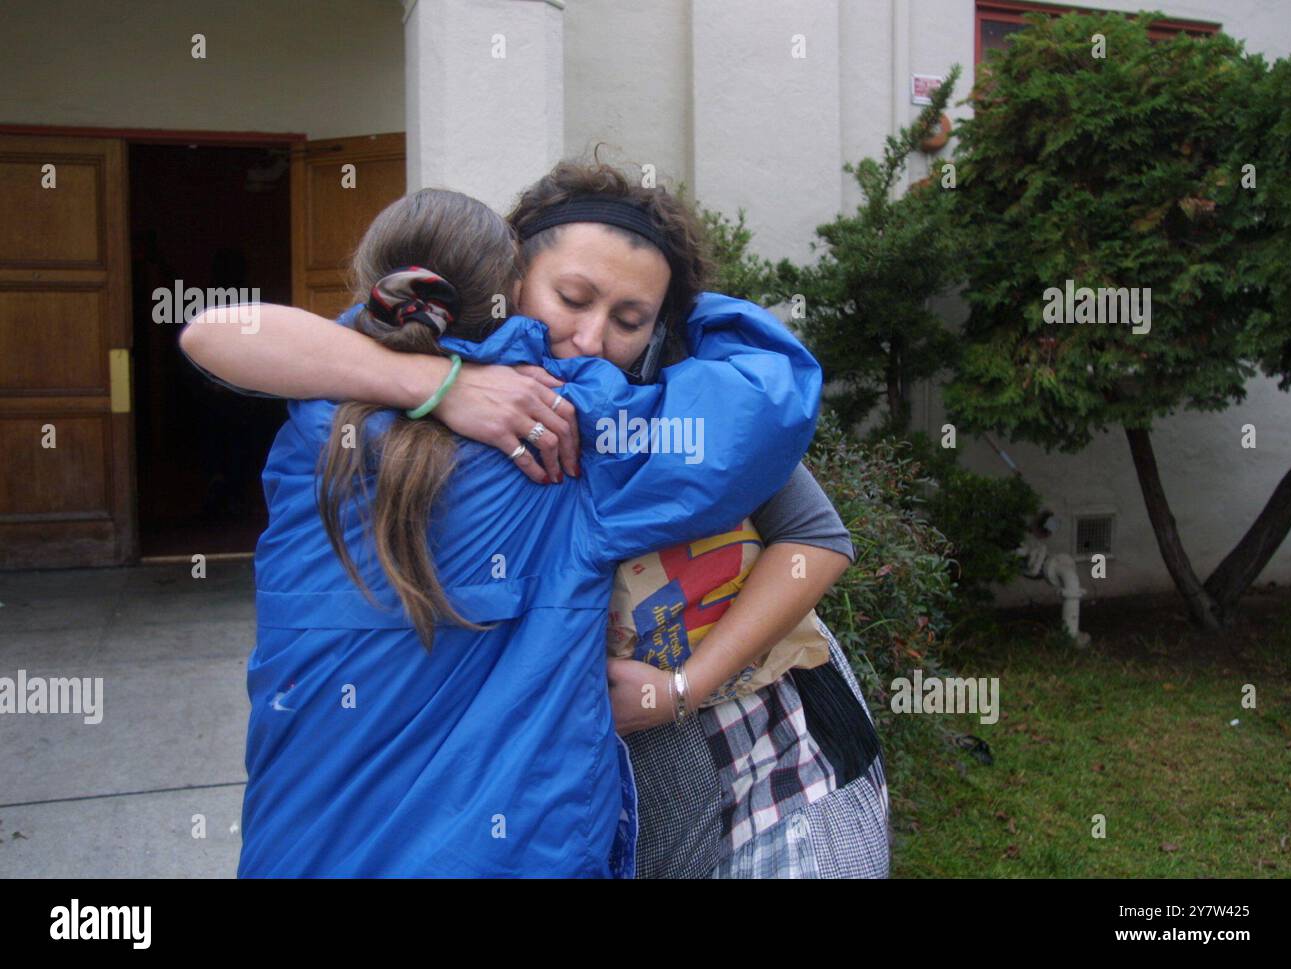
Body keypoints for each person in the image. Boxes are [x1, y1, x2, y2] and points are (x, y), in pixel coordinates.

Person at [182, 160, 890, 878]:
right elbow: (773, 391)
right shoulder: (574, 434)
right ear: (510, 274)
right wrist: (448, 382)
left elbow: (217, 333)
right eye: (572, 297)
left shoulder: (319, 405)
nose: (587, 339)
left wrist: (435, 377)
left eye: (628, 318)